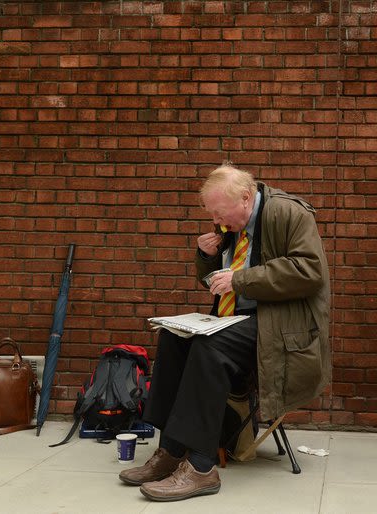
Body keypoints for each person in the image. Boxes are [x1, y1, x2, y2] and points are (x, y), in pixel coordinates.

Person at [120, 162, 331, 501]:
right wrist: (206, 257)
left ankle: (202, 467)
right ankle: (171, 451)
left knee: (211, 346)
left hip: (283, 327)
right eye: (213, 214)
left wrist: (241, 279)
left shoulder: (288, 213)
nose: (218, 221)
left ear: (246, 198)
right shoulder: (234, 223)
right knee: (174, 338)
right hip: (238, 320)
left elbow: (309, 271)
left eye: (220, 212)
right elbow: (217, 282)